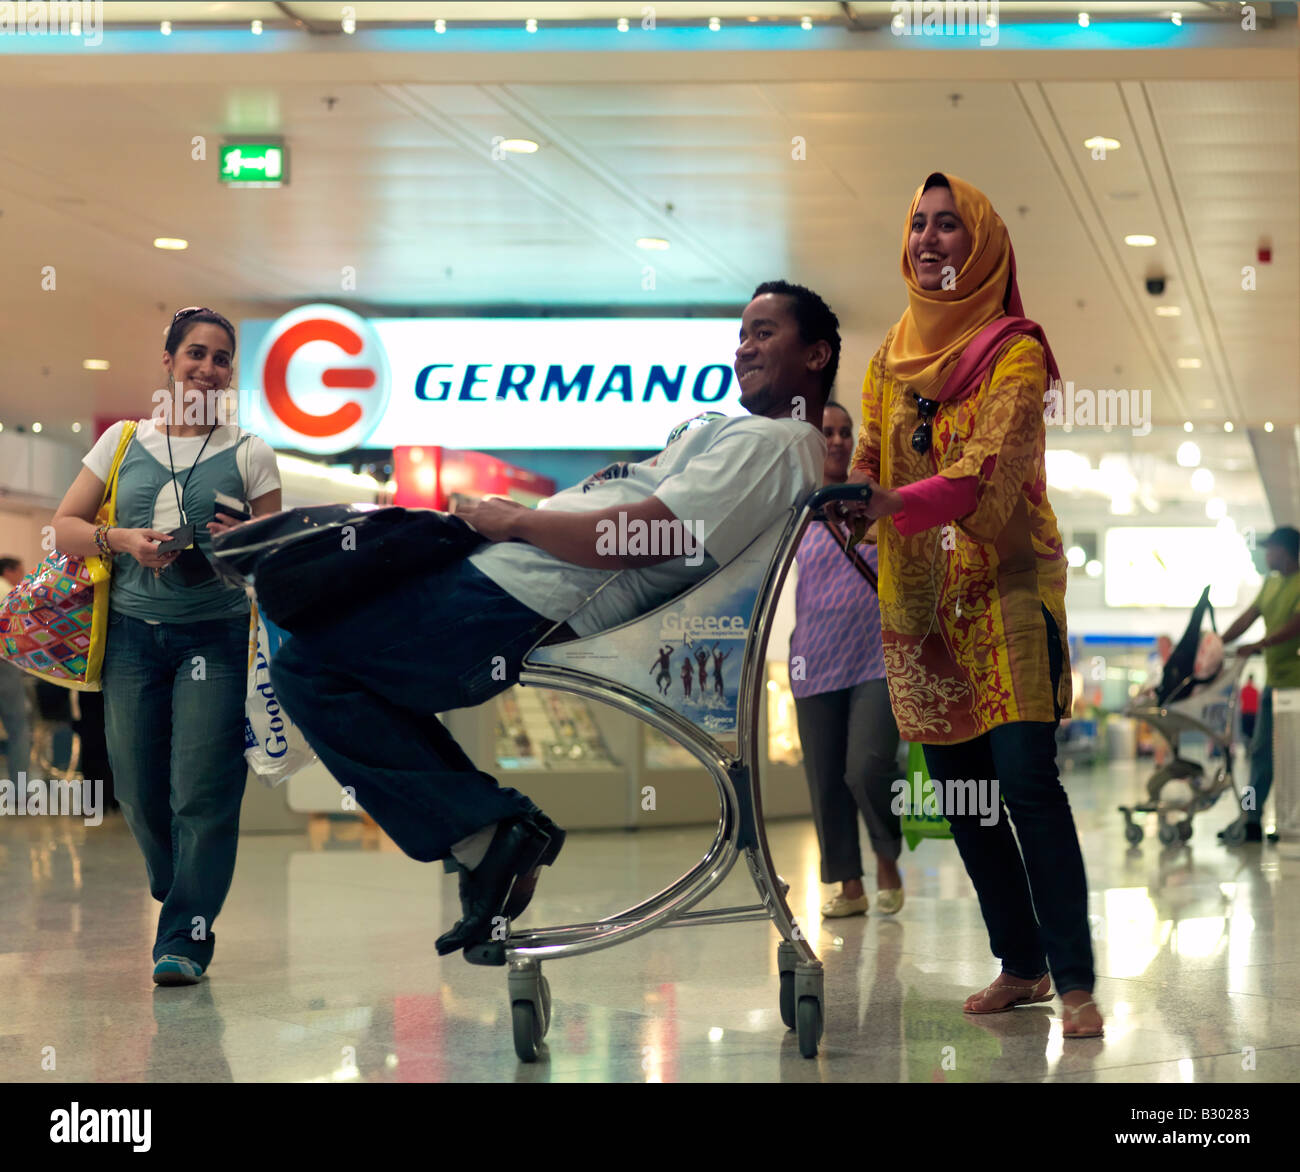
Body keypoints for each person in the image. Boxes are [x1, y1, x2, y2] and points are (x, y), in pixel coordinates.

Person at [270, 280, 834, 959]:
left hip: (529, 597)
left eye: (765, 332)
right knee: (328, 642)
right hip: (517, 576)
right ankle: (489, 836)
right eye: (742, 332)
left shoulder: (777, 443)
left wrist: (517, 520)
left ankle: (492, 834)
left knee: (311, 664)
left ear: (817, 355)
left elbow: (643, 537)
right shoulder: (746, 434)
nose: (744, 347)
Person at [844, 173, 1102, 1039]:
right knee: (960, 798)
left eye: (948, 225)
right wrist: (851, 498)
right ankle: (1019, 964)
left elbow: (990, 471)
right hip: (920, 599)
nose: (928, 238)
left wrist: (892, 505)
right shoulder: (888, 355)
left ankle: (1073, 980)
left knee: (1026, 782)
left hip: (1008, 586)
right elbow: (873, 458)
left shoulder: (1016, 348)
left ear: (982, 245)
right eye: (917, 223)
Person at [52, 307, 282, 986]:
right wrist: (121, 539)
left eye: (221, 359)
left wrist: (241, 539)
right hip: (129, 637)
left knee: (201, 791)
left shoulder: (251, 453)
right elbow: (65, 526)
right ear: (169, 361)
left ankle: (185, 935)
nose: (208, 369)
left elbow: (278, 558)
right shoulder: (123, 442)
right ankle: (177, 881)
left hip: (213, 635)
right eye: (196, 354)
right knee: (137, 785)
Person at [790, 402, 903, 919]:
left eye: (843, 432)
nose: (835, 440)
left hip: (875, 658)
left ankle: (885, 855)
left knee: (867, 766)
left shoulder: (873, 501)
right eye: (826, 433)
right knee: (825, 776)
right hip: (813, 658)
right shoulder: (794, 509)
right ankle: (849, 884)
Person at [1220, 526, 1300, 844]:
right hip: (1274, 685)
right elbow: (1247, 617)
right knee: (1259, 753)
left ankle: (1291, 821)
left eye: (1272, 549)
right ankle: (1252, 818)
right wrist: (1216, 643)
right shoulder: (1270, 584)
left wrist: (1259, 645)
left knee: (1291, 755)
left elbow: (1295, 625)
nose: (1266, 555)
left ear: (1287, 551)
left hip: (1297, 687)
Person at [0, 556, 33, 785]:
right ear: (9, 571)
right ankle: (20, 794)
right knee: (19, 729)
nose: (23, 576)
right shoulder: (10, 593)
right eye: (21, 571)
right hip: (4, 665)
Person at [1240, 673, 1259, 743]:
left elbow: (1241, 700)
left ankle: (1246, 747)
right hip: (1253, 714)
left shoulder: (1243, 690)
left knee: (1245, 732)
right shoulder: (1255, 690)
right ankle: (1251, 746)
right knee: (1252, 732)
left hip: (1245, 713)